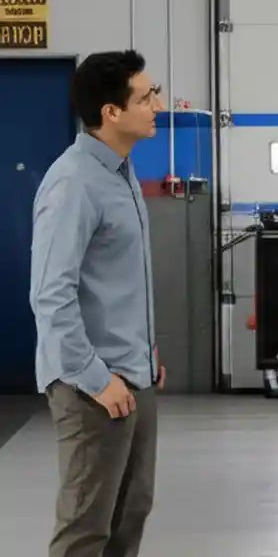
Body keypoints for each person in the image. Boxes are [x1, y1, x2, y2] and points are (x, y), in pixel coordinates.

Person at [30, 49, 166, 557]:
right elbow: (50, 294)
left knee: (131, 513)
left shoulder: (121, 172)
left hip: (133, 373)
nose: (157, 104)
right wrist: (95, 377)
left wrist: (146, 353)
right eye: (146, 96)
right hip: (92, 385)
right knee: (86, 529)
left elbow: (115, 281)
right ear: (111, 112)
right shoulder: (73, 183)